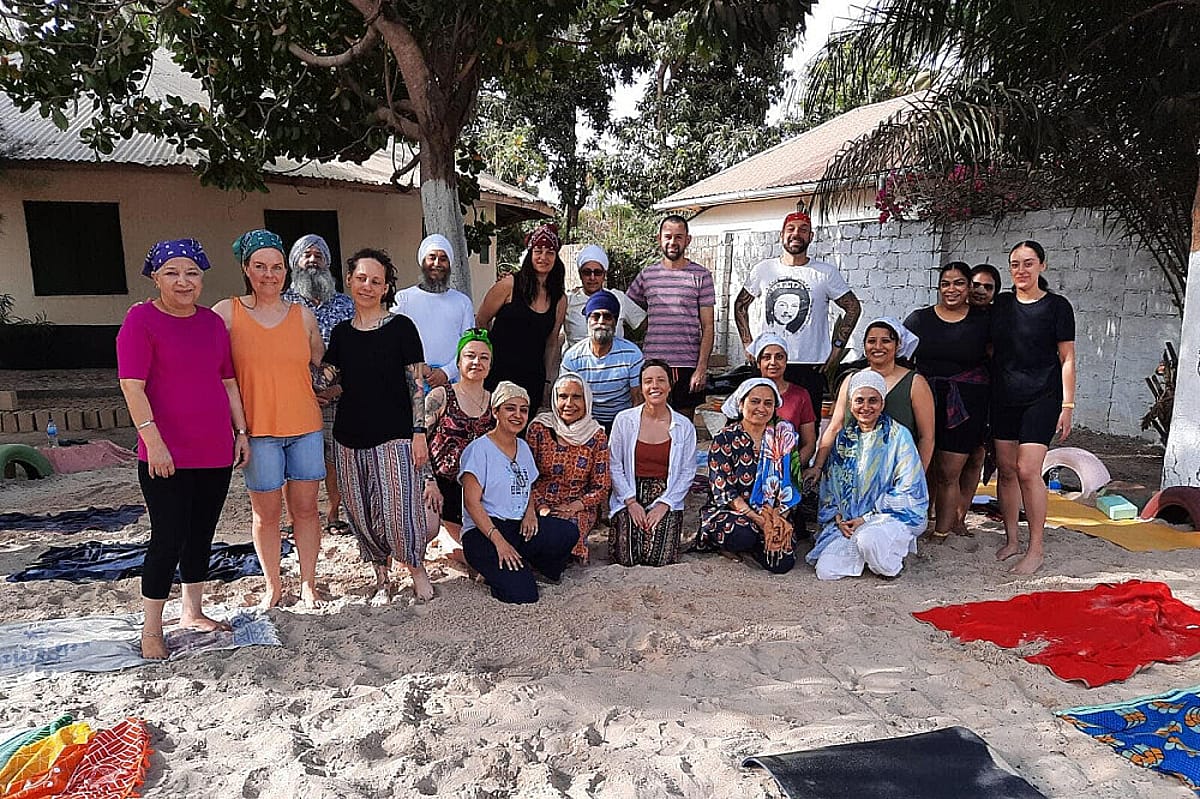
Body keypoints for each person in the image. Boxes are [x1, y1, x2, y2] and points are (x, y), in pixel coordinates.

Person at [117, 238, 251, 659]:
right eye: (172, 273)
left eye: (192, 273)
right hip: (165, 454)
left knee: (201, 533)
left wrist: (242, 432)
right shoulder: (141, 320)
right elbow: (132, 387)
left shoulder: (212, 324)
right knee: (168, 537)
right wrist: (153, 442)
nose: (183, 281)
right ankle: (152, 627)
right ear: (155, 277)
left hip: (213, 448)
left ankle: (192, 610)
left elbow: (228, 381)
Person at [212, 229, 326, 609]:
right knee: (266, 513)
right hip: (257, 431)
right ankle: (274, 586)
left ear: (286, 270)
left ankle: (309, 582)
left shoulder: (303, 315)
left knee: (307, 509)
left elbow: (320, 366)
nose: (269, 274)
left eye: (276, 266)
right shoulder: (227, 313)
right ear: (246, 268)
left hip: (305, 428)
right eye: (260, 266)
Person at [319, 248, 433, 603]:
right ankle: (381, 575)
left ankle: (416, 570)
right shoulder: (340, 334)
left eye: (375, 281)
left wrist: (419, 433)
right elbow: (326, 377)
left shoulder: (401, 328)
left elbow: (417, 385)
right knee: (361, 513)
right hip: (348, 438)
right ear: (349, 281)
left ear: (385, 288)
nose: (367, 286)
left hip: (395, 436)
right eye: (361, 278)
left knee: (399, 512)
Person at [991, 240, 1076, 575]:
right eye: (1014, 264)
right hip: (1004, 395)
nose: (1021, 270)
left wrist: (1067, 404)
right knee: (1006, 468)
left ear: (1042, 265)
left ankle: (1035, 547)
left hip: (1043, 396)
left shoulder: (1058, 306)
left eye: (1028, 263)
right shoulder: (1001, 305)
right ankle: (1011, 539)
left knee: (1028, 469)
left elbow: (1067, 358)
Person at [458, 381, 579, 604]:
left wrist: (530, 513)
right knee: (524, 595)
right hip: (485, 532)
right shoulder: (478, 450)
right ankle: (493, 569)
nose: (518, 415)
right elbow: (472, 504)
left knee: (567, 532)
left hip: (518, 525)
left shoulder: (522, 447)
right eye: (510, 408)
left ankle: (522, 564)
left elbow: (528, 486)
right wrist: (500, 543)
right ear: (496, 412)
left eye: (523, 410)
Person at [734, 210, 862, 416]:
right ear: (781, 235)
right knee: (763, 419)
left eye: (803, 230)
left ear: (810, 237)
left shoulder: (825, 273)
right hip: (770, 361)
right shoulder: (763, 269)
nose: (796, 234)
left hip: (810, 362)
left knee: (807, 426)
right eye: (790, 229)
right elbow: (741, 304)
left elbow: (853, 307)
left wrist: (837, 347)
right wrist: (748, 343)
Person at [806, 371, 929, 580]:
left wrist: (866, 518)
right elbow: (831, 485)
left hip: (888, 517)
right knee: (826, 570)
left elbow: (908, 489)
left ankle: (889, 560)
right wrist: (837, 516)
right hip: (848, 520)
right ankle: (867, 556)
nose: (865, 407)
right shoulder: (844, 439)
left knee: (867, 540)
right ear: (851, 404)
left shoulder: (899, 436)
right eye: (859, 400)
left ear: (882, 404)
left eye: (873, 401)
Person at [903, 263, 991, 539]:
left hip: (966, 405)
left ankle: (943, 531)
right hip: (924, 399)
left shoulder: (983, 323)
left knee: (949, 471)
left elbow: (994, 362)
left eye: (959, 283)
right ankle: (921, 521)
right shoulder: (919, 320)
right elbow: (900, 359)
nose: (951, 289)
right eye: (946, 283)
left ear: (968, 288)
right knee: (923, 466)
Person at [280, 234, 355, 533]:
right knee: (293, 460)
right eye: (306, 255)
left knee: (335, 458)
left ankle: (333, 513)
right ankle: (291, 518)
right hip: (293, 396)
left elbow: (357, 352)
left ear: (328, 262)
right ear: (294, 263)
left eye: (318, 255)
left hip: (340, 395)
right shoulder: (283, 304)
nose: (312, 260)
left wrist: (338, 387)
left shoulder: (346, 305)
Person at [698, 378, 803, 573]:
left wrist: (778, 518)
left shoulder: (783, 437)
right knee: (741, 533)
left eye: (768, 403)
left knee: (782, 563)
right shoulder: (725, 438)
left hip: (772, 512)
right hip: (735, 511)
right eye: (755, 401)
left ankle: (756, 546)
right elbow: (724, 490)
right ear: (741, 404)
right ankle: (734, 545)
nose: (761, 408)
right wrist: (757, 518)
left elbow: (792, 484)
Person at [812, 318, 935, 478]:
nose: (878, 347)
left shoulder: (914, 383)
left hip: (894, 473)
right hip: (850, 474)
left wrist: (915, 477)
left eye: (886, 341)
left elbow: (927, 437)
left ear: (898, 345)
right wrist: (818, 466)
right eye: (871, 341)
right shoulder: (851, 380)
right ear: (864, 346)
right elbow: (835, 426)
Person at [608, 360, 698, 567]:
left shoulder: (684, 426)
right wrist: (630, 502)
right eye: (648, 381)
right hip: (630, 490)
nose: (654, 386)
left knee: (659, 558)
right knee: (628, 557)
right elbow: (614, 464)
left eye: (660, 380)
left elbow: (687, 472)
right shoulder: (624, 420)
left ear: (669, 385)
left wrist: (665, 504)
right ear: (641, 387)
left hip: (666, 492)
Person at [625, 215, 715, 418]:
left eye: (678, 237)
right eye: (668, 236)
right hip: (653, 362)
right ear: (659, 239)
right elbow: (628, 310)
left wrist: (701, 368)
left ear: (687, 240)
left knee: (683, 423)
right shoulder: (647, 275)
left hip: (687, 365)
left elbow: (708, 326)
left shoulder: (701, 276)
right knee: (652, 419)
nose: (673, 242)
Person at [477, 224, 568, 416]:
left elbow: (552, 343)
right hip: (497, 376)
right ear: (530, 253)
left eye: (550, 252)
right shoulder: (509, 285)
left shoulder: (559, 299)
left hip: (532, 379)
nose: (543, 257)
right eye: (538, 251)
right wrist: (487, 360)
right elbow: (482, 321)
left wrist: (547, 383)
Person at [425, 329, 495, 558]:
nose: (477, 362)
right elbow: (416, 441)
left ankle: (450, 539)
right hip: (441, 484)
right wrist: (428, 482)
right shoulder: (440, 396)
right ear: (458, 361)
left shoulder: (496, 402)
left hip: (479, 490)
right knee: (429, 528)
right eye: (470, 356)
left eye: (484, 357)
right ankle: (443, 534)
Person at [527, 373, 611, 563]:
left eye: (576, 397)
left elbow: (601, 486)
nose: (569, 403)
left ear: (587, 400)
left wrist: (574, 507)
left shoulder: (596, 436)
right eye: (563, 396)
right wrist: (541, 507)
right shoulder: (539, 428)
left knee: (566, 536)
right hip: (538, 501)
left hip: (578, 505)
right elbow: (526, 476)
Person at [390, 234, 476, 388]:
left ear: (449, 264)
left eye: (443, 259)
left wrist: (446, 372)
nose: (437, 263)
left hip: (452, 382)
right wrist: (420, 368)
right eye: (432, 257)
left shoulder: (462, 302)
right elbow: (395, 342)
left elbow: (468, 345)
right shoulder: (404, 299)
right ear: (423, 262)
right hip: (412, 382)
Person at [560, 289, 644, 429]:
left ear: (615, 322)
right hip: (585, 423)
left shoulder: (632, 354)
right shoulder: (572, 357)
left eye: (607, 317)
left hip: (623, 422)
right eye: (595, 316)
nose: (601, 322)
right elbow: (568, 400)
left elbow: (638, 399)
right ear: (588, 321)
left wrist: (633, 432)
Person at [749, 332, 817, 467]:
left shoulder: (800, 395)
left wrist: (791, 470)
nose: (773, 362)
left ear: (786, 361)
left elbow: (809, 444)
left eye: (779, 357)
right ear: (758, 363)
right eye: (767, 357)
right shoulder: (747, 394)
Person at [563, 244, 646, 347]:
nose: (592, 277)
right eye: (587, 272)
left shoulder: (618, 298)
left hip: (616, 361)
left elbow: (644, 324)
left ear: (604, 275)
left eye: (597, 272)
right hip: (577, 361)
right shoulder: (568, 301)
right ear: (580, 274)